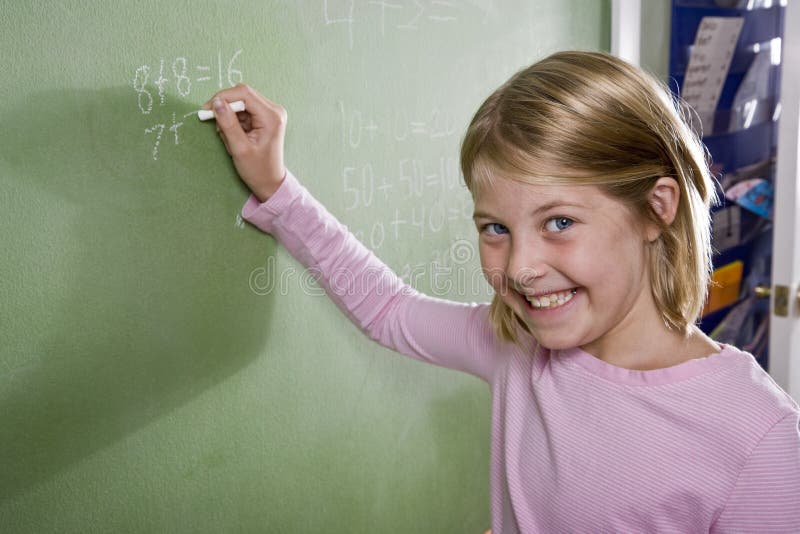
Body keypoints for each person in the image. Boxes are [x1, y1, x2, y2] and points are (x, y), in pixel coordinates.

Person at [205, 51, 800, 533]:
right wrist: (278, 189)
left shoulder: (758, 439)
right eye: (495, 229)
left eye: (559, 222)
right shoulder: (519, 346)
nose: (520, 268)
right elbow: (387, 308)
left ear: (655, 209)